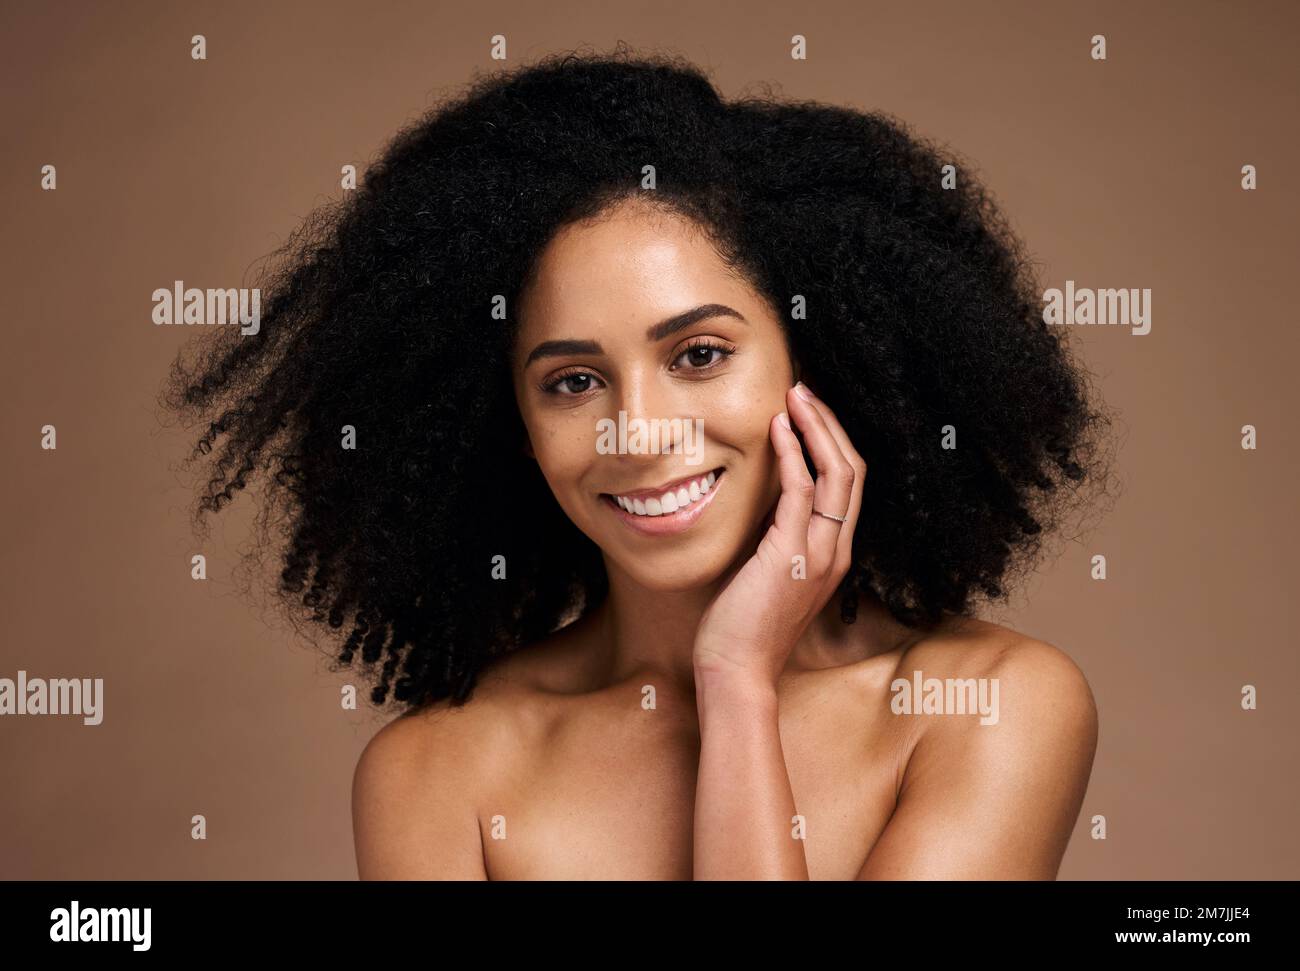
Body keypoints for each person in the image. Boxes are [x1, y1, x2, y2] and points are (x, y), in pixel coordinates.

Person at [164, 46, 1113, 879]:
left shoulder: (991, 707)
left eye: (699, 355)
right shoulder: (438, 775)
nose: (638, 431)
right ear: (518, 431)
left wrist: (735, 681)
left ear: (816, 366)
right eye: (573, 381)